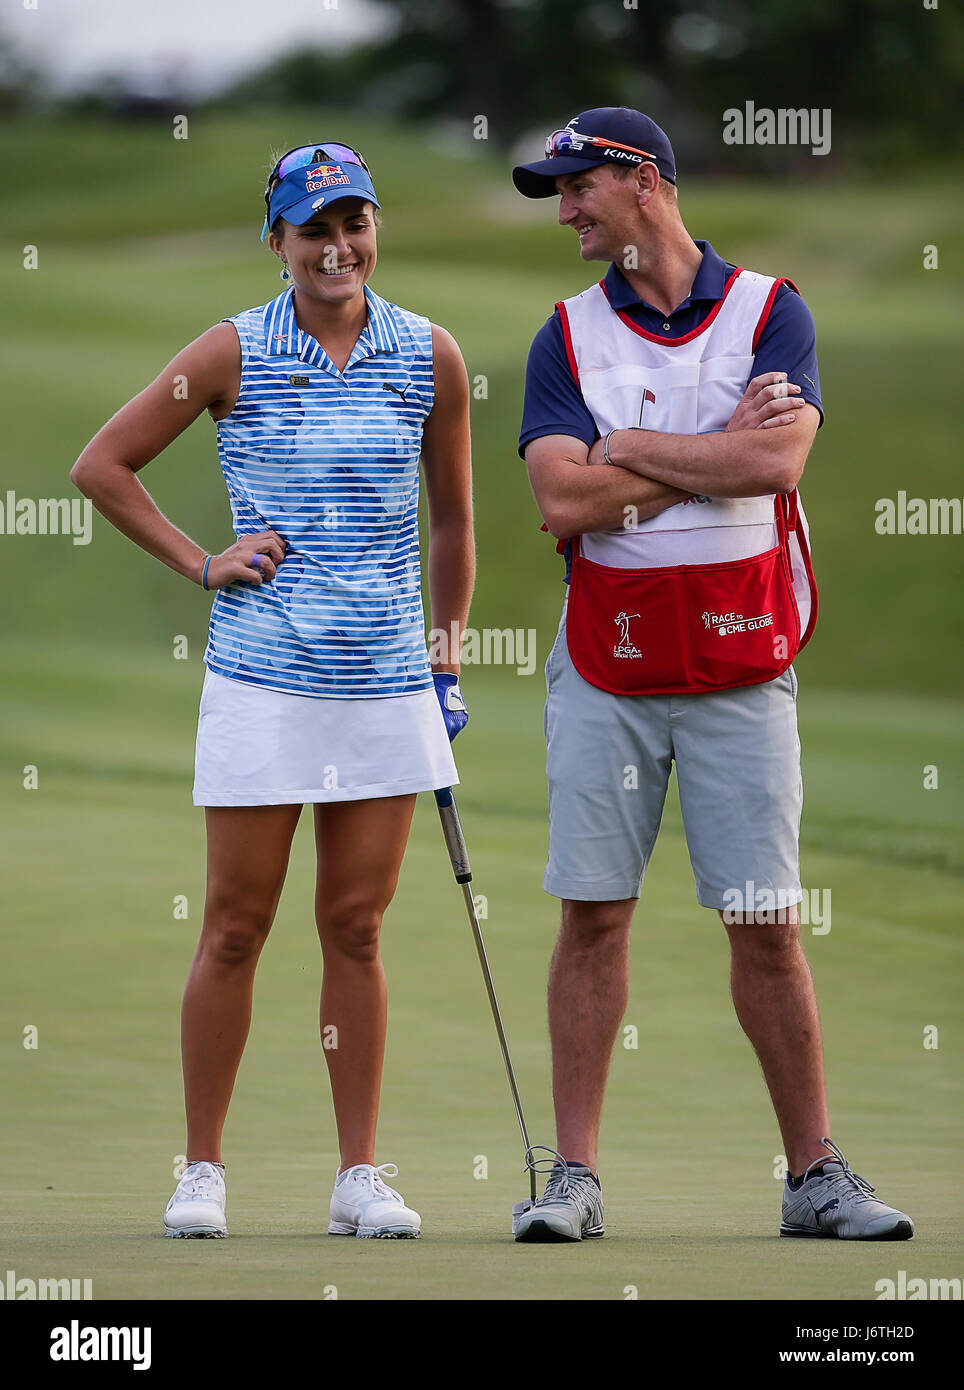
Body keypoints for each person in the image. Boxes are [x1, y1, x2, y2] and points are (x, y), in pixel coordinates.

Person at [510, 108, 913, 1244]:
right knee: (592, 913)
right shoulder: (565, 336)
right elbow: (559, 501)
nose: (565, 208)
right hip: (608, 660)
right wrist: (698, 456)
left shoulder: (769, 310)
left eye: (577, 185)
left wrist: (626, 448)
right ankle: (573, 1176)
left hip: (743, 656)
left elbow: (776, 458)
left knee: (765, 920)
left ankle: (813, 1175)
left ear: (643, 181)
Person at [70, 141, 474, 1240]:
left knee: (355, 927)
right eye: (314, 229)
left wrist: (446, 653)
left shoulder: (427, 354)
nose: (337, 247)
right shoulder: (233, 350)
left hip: (386, 686)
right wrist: (204, 561)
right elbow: (102, 464)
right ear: (278, 242)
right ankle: (201, 1168)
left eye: (354, 222)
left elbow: (452, 521)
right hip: (262, 679)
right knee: (236, 928)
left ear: (374, 226)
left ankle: (359, 1177)